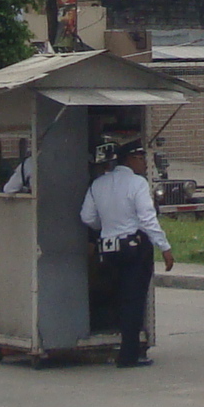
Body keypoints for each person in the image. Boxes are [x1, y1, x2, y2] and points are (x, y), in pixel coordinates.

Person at [81, 141, 173, 368]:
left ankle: (120, 342)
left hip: (108, 249)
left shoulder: (98, 184)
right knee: (133, 299)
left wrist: (106, 226)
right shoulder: (137, 183)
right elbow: (147, 218)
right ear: (129, 160)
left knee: (116, 296)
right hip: (133, 248)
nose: (145, 164)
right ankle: (129, 354)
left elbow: (87, 217)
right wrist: (164, 247)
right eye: (141, 159)